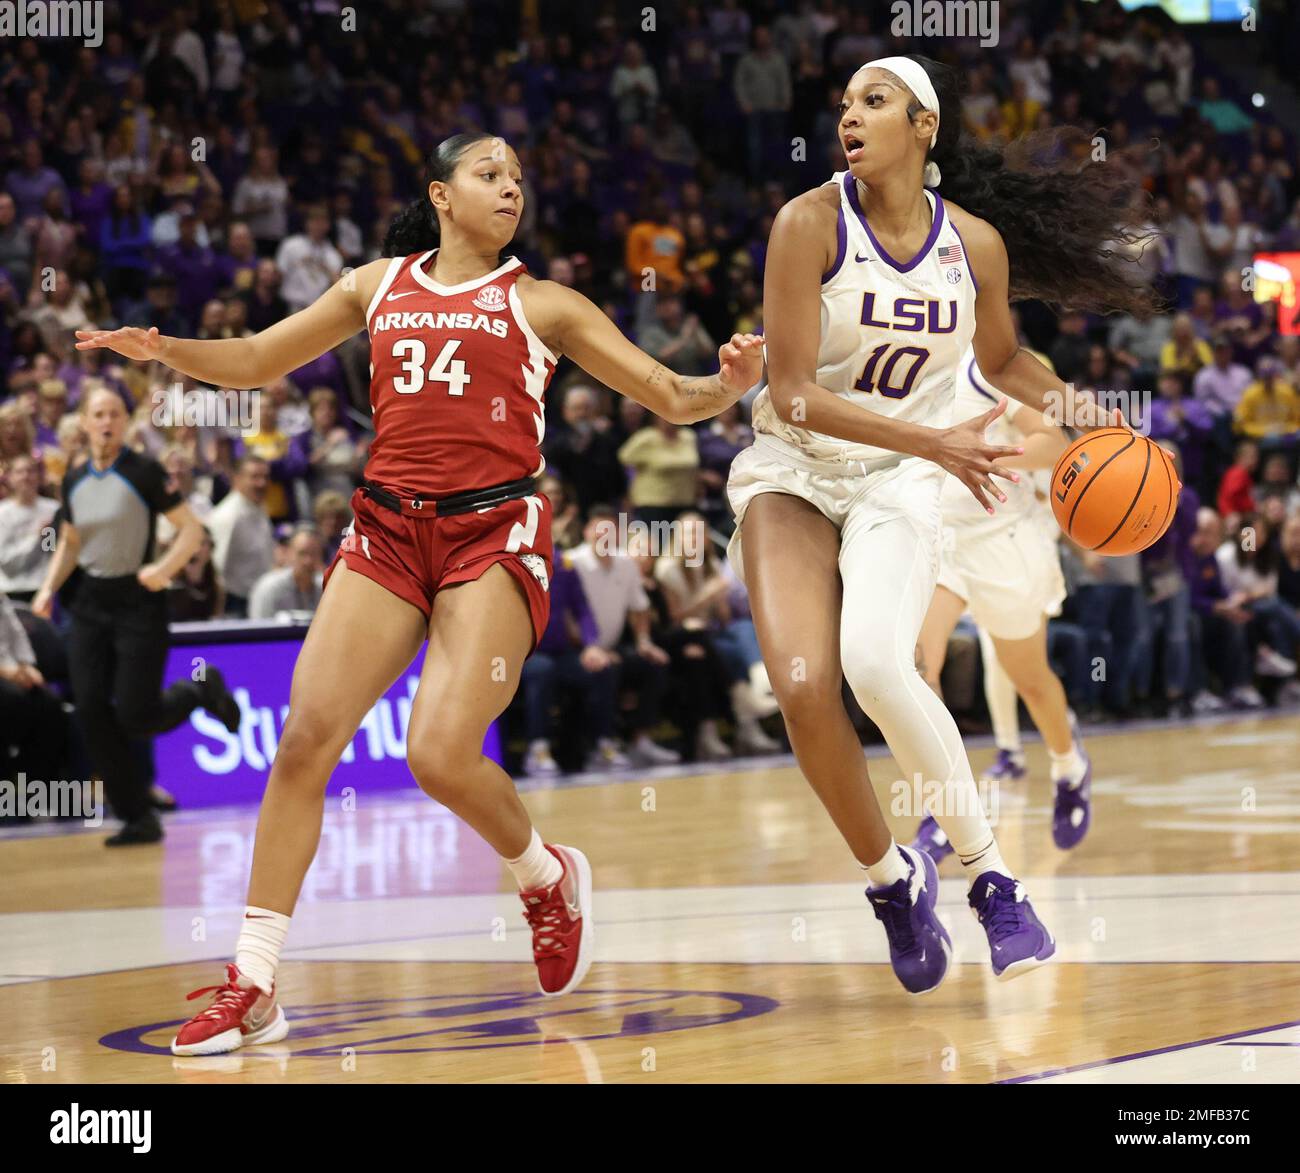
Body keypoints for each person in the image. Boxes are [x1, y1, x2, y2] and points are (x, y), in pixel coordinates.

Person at [76, 131, 762, 1054]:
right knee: (303, 741)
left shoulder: (543, 303)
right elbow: (255, 359)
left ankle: (543, 875)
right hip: (386, 531)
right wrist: (162, 350)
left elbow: (668, 395)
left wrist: (727, 383)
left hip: (493, 531)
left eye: (519, 178)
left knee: (440, 752)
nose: (510, 188)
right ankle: (255, 978)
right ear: (441, 194)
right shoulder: (375, 284)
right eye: (489, 174)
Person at [727, 56, 1145, 992]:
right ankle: (891, 881)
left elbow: (1001, 358)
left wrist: (1084, 411)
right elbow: (789, 395)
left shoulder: (976, 247)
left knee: (879, 662)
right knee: (801, 685)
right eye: (843, 105)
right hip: (795, 470)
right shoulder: (806, 223)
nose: (850, 116)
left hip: (903, 481)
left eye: (873, 101)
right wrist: (932, 438)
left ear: (924, 126)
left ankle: (994, 881)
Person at [31, 388, 242, 845]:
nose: (106, 422)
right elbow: (69, 542)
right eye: (98, 414)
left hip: (138, 603)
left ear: (125, 423)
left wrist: (162, 570)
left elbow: (191, 530)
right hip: (88, 603)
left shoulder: (144, 472)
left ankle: (200, 689)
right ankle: (136, 816)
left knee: (134, 715)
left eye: (115, 414)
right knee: (89, 710)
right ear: (84, 423)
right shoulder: (73, 479)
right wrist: (48, 589)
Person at [909, 349, 1091, 861]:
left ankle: (1067, 764)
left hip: (1001, 537)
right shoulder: (904, 358)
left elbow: (1052, 442)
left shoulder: (991, 363)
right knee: (917, 666)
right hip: (937, 539)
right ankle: (947, 808)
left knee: (1029, 679)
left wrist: (986, 455)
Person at [206, 454, 276, 616]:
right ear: (237, 480)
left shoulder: (259, 507)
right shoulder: (228, 516)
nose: (262, 483)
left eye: (265, 477)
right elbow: (216, 568)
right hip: (235, 605)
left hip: (259, 599)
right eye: (254, 477)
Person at [248, 528, 324, 619]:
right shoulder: (269, 587)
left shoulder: (325, 588)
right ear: (290, 553)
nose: (308, 561)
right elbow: (258, 628)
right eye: (302, 553)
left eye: (314, 554)